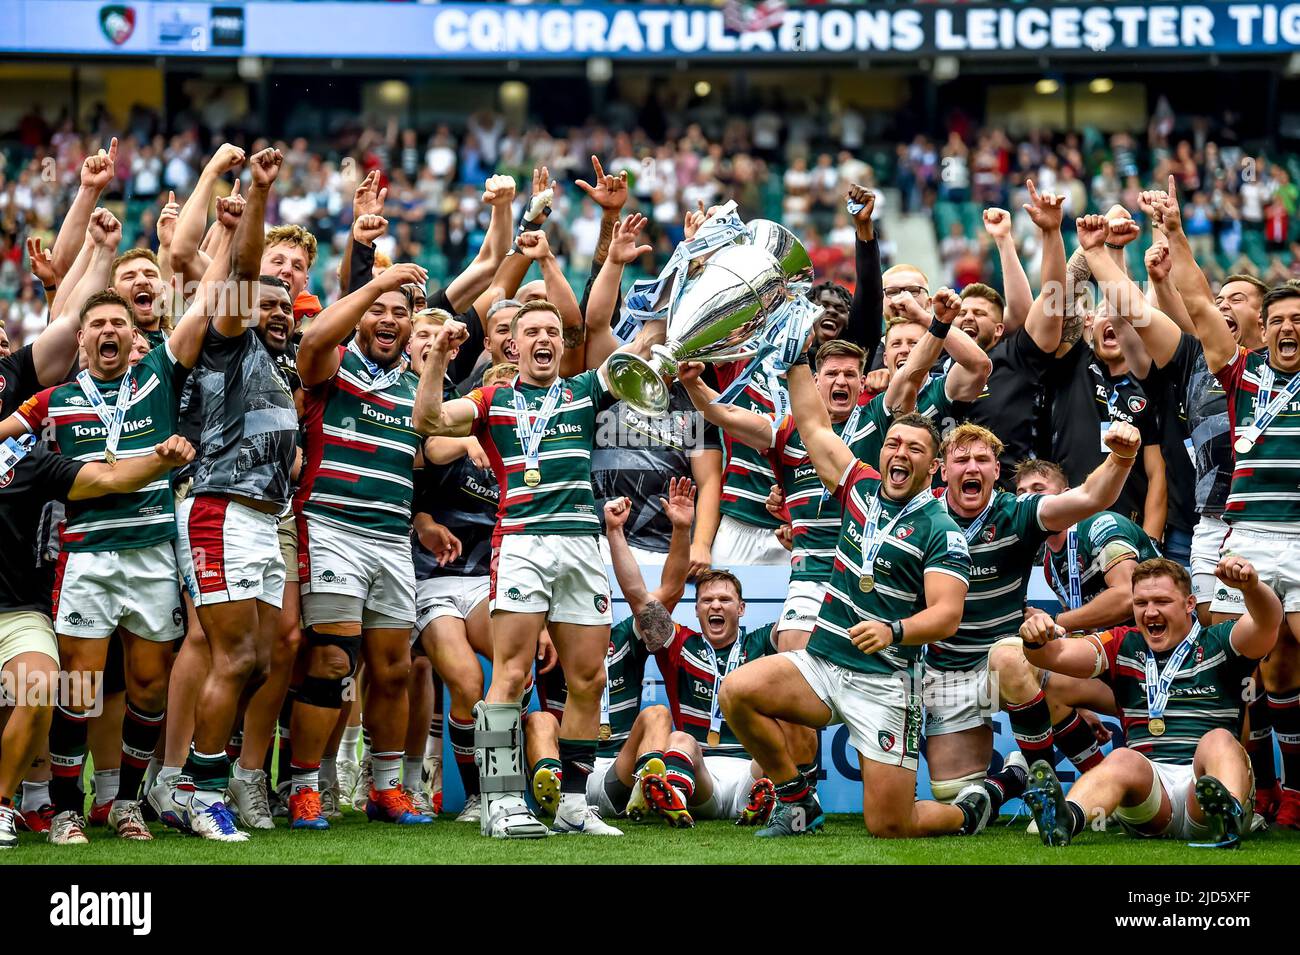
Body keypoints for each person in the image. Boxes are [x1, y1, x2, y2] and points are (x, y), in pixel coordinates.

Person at [721, 352, 1023, 838]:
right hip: (822, 664)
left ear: (936, 470)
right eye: (894, 443)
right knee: (737, 692)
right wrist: (798, 360)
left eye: (916, 449)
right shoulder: (859, 486)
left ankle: (976, 807)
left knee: (891, 825)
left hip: (884, 684)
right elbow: (815, 430)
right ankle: (796, 799)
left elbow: (946, 615)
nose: (900, 453)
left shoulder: (942, 531)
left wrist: (895, 630)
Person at [415, 301, 628, 838]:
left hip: (581, 543)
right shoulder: (491, 397)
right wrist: (439, 358)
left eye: (553, 332)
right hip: (522, 544)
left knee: (589, 678)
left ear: (561, 343)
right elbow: (428, 420)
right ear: (514, 345)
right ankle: (501, 803)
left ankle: (575, 806)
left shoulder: (586, 391)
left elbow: (636, 353)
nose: (544, 339)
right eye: (532, 331)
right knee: (511, 675)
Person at [148, 147, 300, 843]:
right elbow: (238, 271)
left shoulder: (284, 357)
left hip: (264, 522)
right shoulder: (229, 339)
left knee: (262, 659)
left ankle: (190, 781)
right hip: (221, 510)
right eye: (264, 301)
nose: (275, 310)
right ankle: (197, 792)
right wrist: (260, 194)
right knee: (234, 656)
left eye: (284, 305)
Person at [1156, 180, 1300, 828]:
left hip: (1298, 533)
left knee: (1293, 654)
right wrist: (1177, 235)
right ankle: (1265, 787)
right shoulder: (1240, 372)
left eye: (1299, 322)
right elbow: (1194, 299)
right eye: (1280, 322)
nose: (1289, 330)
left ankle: (1289, 785)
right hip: (1242, 535)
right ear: (1261, 329)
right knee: (1246, 659)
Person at [281, 258, 437, 831]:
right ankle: (304, 789)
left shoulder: (418, 386)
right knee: (328, 662)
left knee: (394, 669)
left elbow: (438, 443)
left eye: (400, 311)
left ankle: (387, 789)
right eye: (377, 311)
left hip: (392, 538)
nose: (389, 319)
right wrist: (379, 282)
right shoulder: (334, 366)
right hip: (330, 529)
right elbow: (316, 336)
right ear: (360, 318)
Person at [922, 420, 1142, 804]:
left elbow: (1090, 497)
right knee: (953, 799)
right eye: (960, 460)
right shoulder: (923, 515)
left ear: (995, 472)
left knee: (1013, 658)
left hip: (1008, 662)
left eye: (982, 460)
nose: (971, 467)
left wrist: (1120, 458)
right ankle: (1015, 777)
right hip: (947, 672)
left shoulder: (1016, 511)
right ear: (943, 471)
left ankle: (1046, 786)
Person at [0, 435, 195, 850]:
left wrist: (162, 460)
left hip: (16, 610)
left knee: (53, 685)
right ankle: (46, 801)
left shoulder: (24, 459)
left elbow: (109, 478)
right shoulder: (46, 418)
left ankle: (18, 804)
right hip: (70, 578)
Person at [1020, 557, 1280, 848]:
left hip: (1206, 784)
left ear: (1190, 604)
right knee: (1123, 758)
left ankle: (1227, 814)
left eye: (1162, 601)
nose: (1150, 612)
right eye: (1141, 603)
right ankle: (1065, 819)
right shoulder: (1122, 643)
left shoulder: (1218, 642)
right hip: (1153, 795)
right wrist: (1036, 638)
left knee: (1219, 740)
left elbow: (1267, 623)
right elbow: (1053, 656)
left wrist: (1252, 588)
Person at [529, 483, 695, 827]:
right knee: (539, 720)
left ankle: (647, 785)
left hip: (617, 770)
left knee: (658, 714)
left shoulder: (625, 636)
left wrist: (675, 530)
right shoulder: (546, 637)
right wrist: (540, 628)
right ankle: (553, 791)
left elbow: (667, 595)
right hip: (564, 765)